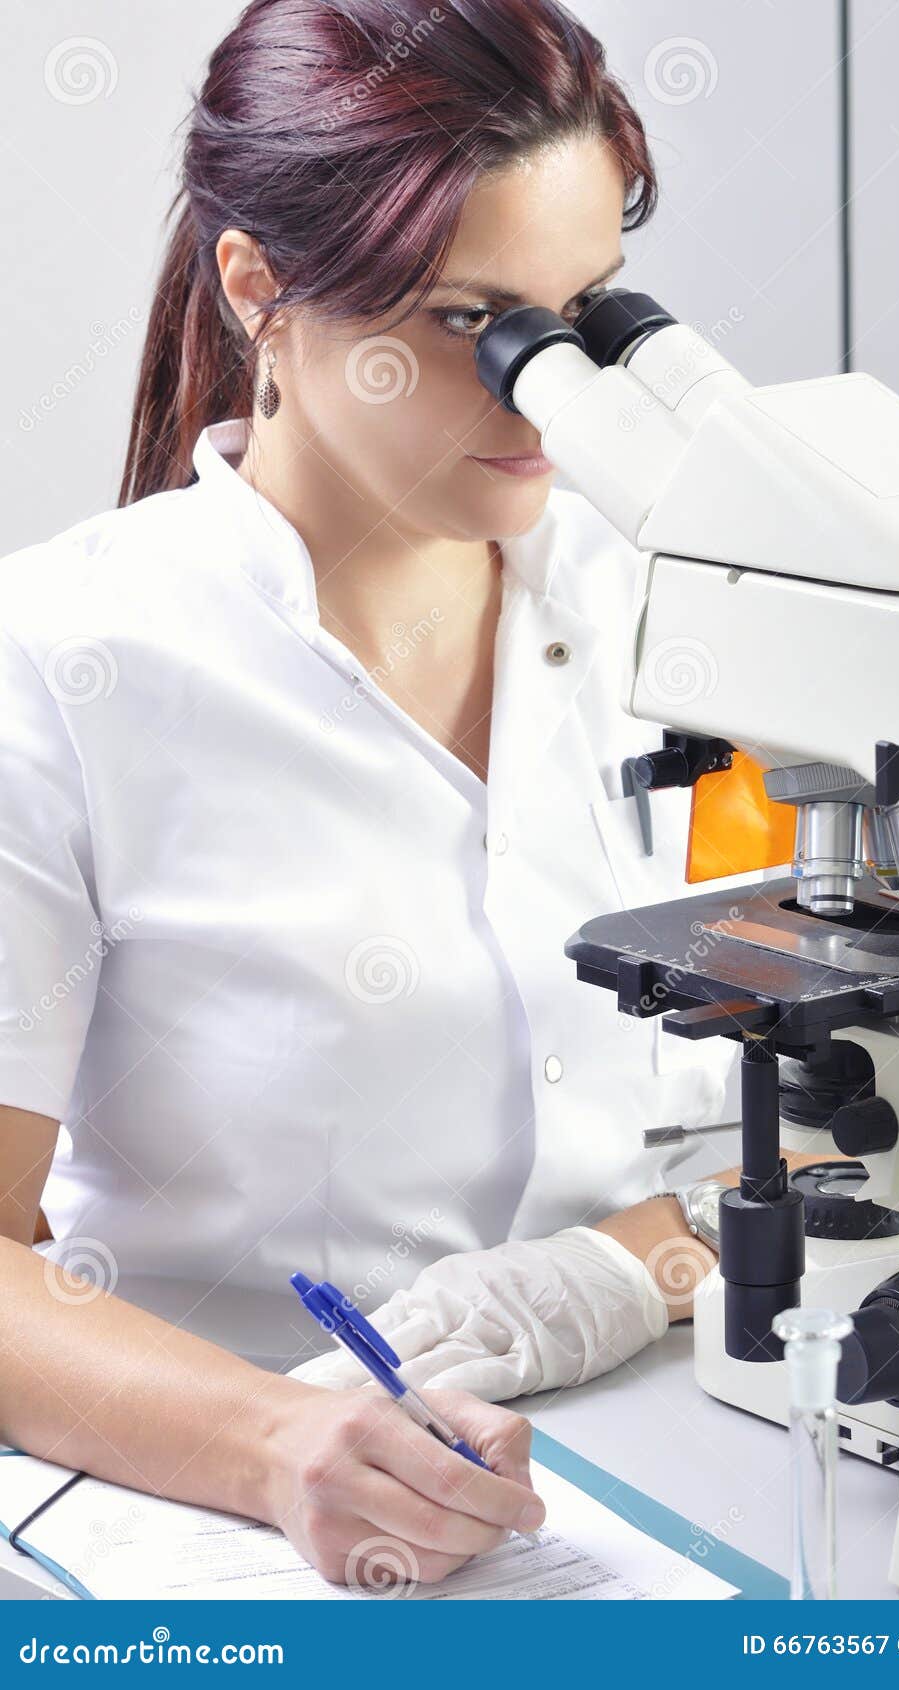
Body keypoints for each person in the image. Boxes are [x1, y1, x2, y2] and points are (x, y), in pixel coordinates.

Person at [0, 0, 748, 1589]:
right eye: (478, 322)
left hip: (687, 1453)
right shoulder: (60, 666)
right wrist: (278, 1443)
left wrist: (601, 1279)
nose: (549, 393)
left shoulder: (673, 611)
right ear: (260, 284)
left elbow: (832, 1128)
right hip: (236, 1497)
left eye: (587, 315)